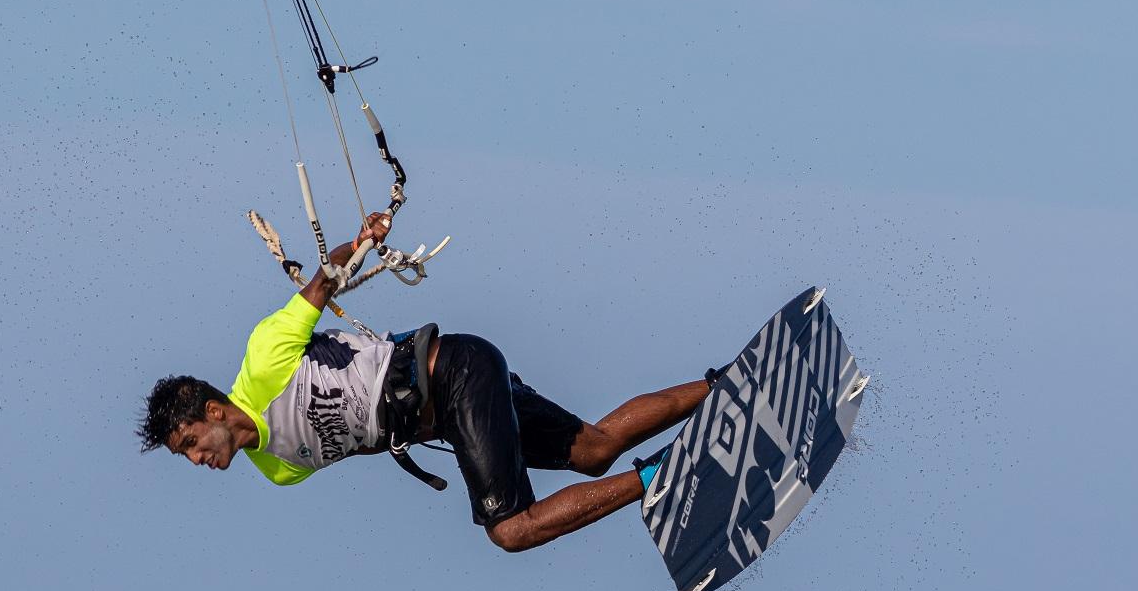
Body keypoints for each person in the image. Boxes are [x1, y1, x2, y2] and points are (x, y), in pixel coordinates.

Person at [137, 212, 714, 552]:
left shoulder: (265, 358)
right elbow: (365, 431)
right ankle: (722, 387)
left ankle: (660, 477)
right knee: (594, 450)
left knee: (511, 531)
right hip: (452, 412)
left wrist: (362, 240)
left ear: (212, 412)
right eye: (186, 456)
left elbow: (325, 280)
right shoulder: (278, 469)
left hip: (455, 371)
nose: (197, 460)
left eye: (190, 443)